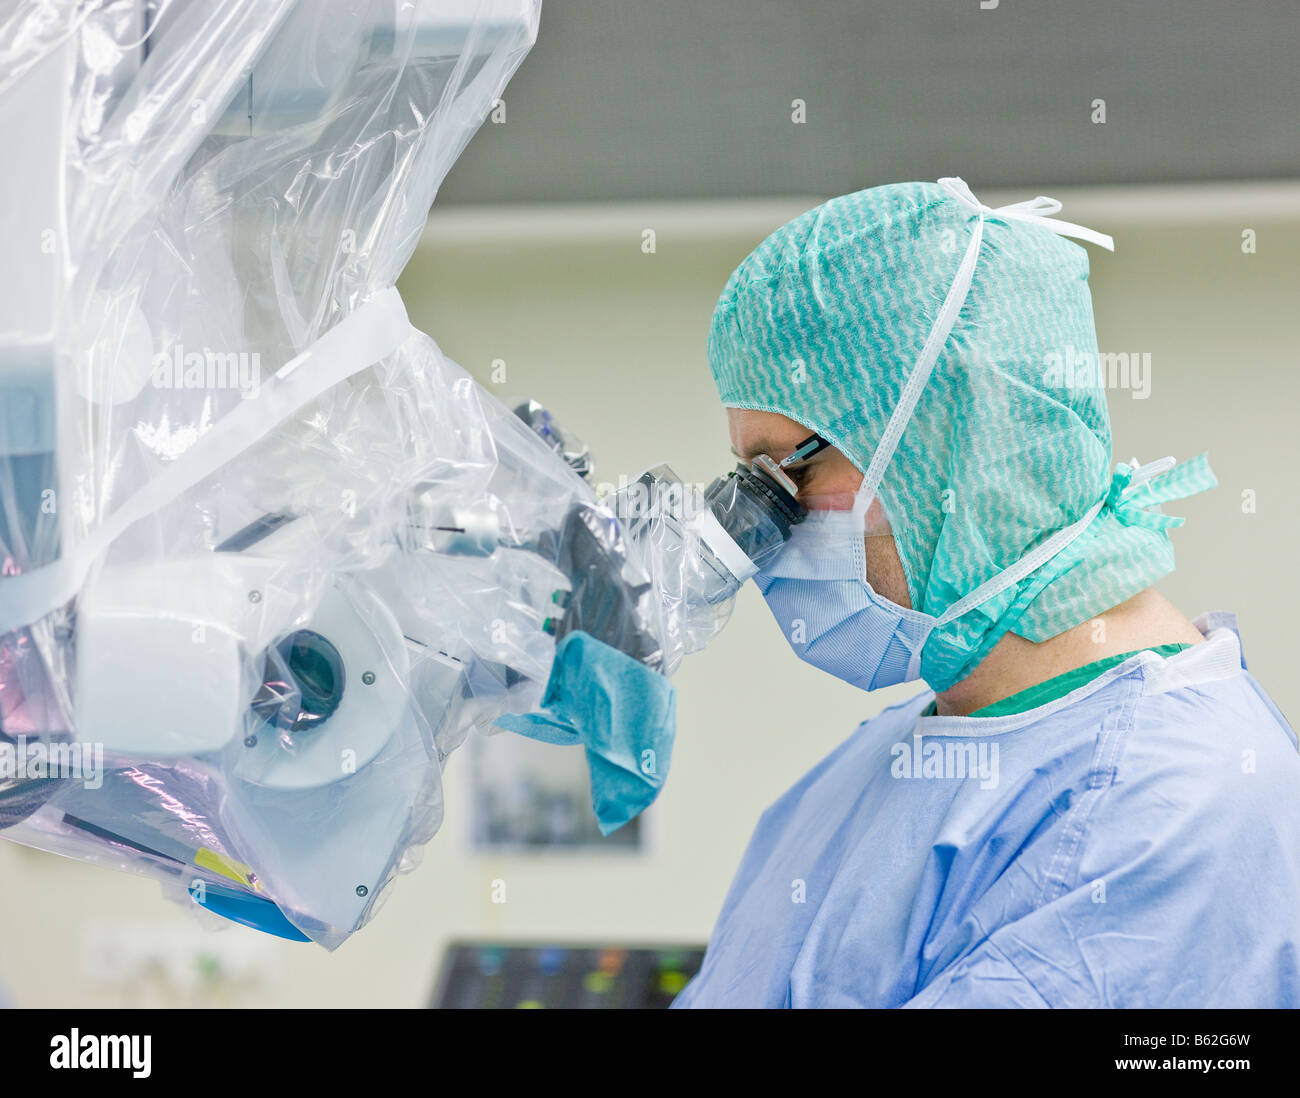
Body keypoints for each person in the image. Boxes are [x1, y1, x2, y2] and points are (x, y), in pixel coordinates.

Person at [672, 177, 1300, 1008]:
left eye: (790, 470)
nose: (766, 528)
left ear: (956, 435)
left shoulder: (1174, 811)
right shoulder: (875, 767)